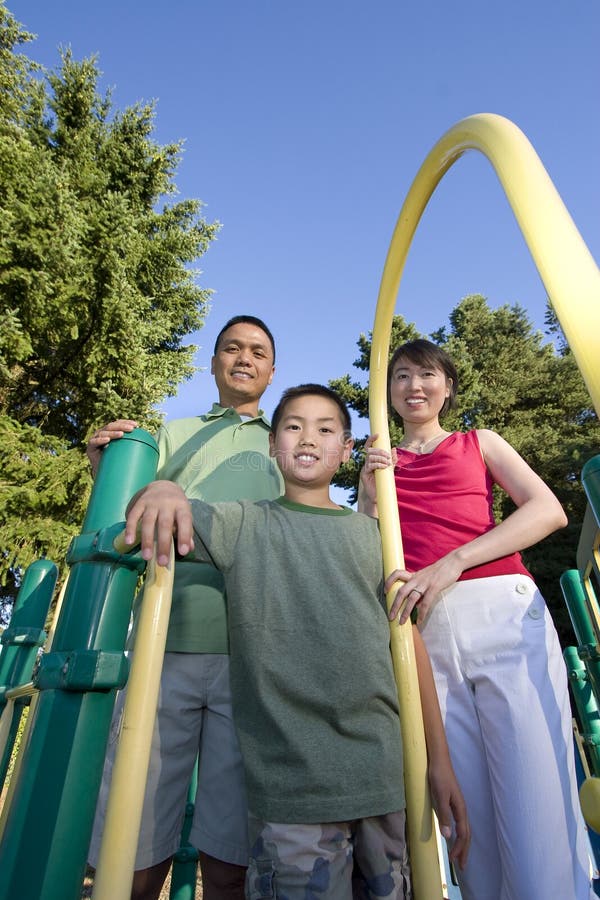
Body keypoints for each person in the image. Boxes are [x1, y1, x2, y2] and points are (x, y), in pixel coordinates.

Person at [123, 383, 470, 899]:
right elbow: (149, 521)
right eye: (293, 426)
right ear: (272, 446)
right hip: (291, 795)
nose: (308, 437)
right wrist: (162, 490)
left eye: (326, 429)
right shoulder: (243, 523)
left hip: (384, 781)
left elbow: (410, 649)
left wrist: (438, 762)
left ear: (346, 451)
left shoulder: (375, 537)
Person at [359, 338, 593, 900]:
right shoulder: (379, 466)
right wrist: (368, 492)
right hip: (429, 633)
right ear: (387, 392)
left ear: (448, 386)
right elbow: (370, 554)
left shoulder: (477, 442)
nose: (415, 386)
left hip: (500, 610)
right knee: (467, 814)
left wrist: (453, 562)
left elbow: (548, 510)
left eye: (428, 374)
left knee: (533, 796)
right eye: (402, 376)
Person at [86, 316, 283, 900]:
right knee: (135, 846)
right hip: (160, 647)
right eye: (231, 349)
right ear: (214, 361)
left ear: (273, 371)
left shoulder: (286, 440)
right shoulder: (174, 433)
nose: (244, 359)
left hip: (249, 656)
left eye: (258, 352)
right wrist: (107, 467)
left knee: (232, 856)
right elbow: (125, 510)